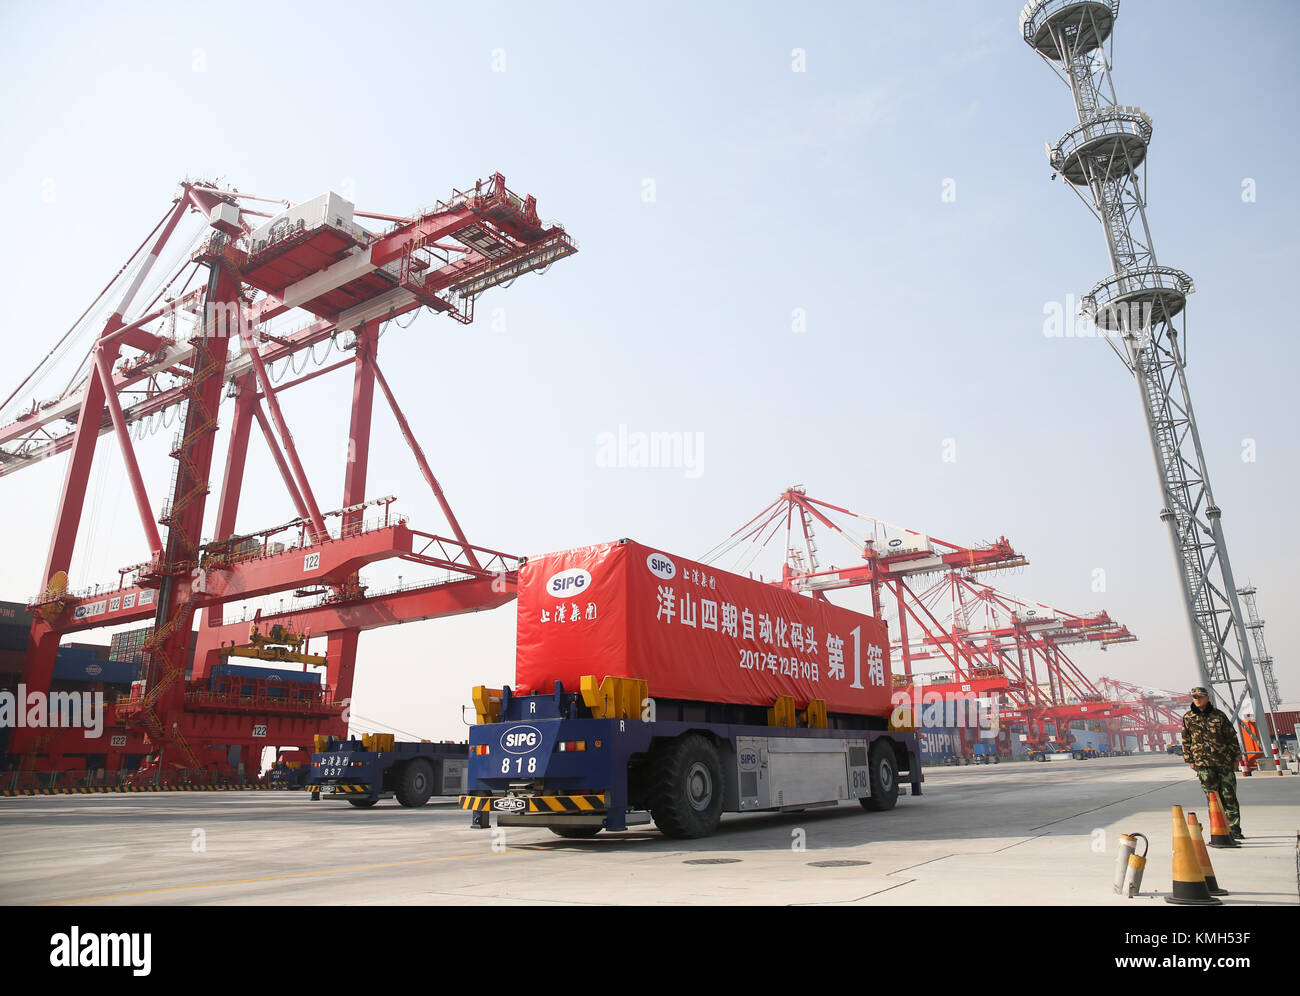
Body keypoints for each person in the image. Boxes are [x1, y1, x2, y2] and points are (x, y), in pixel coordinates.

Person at [1182, 686, 1244, 839]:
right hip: (1203, 765)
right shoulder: (1188, 718)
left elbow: (1231, 737)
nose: (1197, 699)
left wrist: (1236, 758)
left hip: (1223, 762)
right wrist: (1190, 760)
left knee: (1229, 796)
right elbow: (1186, 740)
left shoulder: (1219, 716)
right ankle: (1219, 829)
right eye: (1194, 697)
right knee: (1212, 798)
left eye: (1200, 697)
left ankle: (1234, 828)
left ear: (1207, 698)